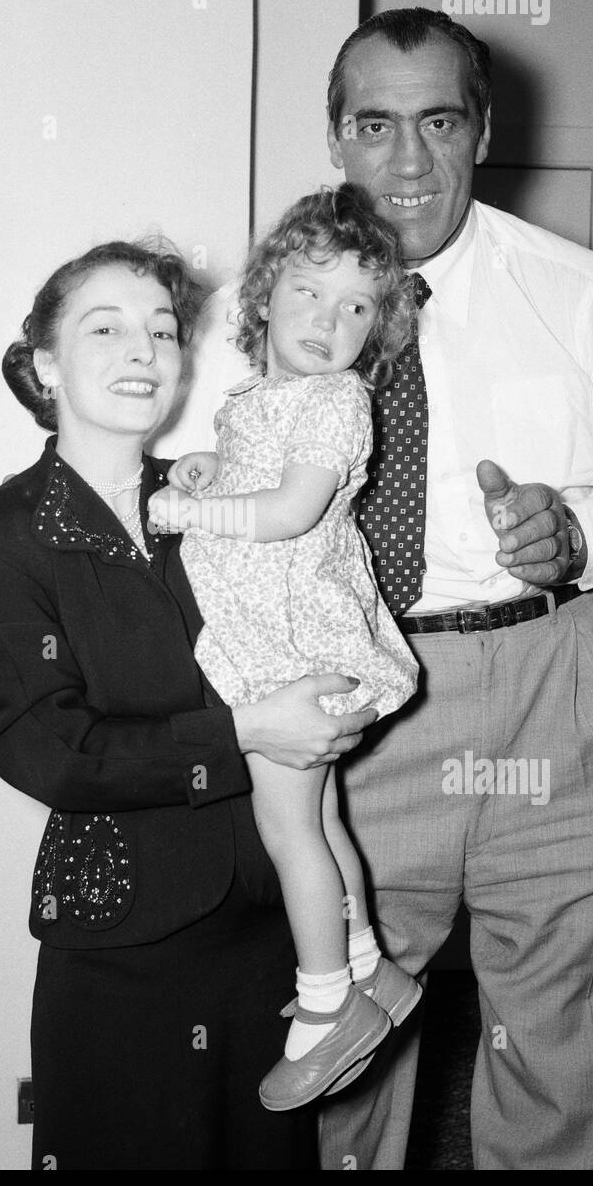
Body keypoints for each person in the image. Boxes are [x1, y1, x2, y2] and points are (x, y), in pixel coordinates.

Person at [286, 8, 593, 1169]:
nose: (409, 161)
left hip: (560, 685)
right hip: (359, 697)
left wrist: (580, 531)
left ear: (483, 130)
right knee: (342, 1042)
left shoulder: (580, 294)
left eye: (438, 122)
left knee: (561, 1041)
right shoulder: (277, 307)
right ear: (336, 135)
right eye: (376, 124)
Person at [0, 239, 375, 1170]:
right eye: (107, 328)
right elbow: (54, 753)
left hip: (271, 921)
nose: (143, 350)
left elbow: (316, 608)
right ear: (44, 365)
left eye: (162, 331)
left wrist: (343, 695)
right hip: (124, 932)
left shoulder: (219, 498)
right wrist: (249, 730)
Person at [148, 186, 422, 1112]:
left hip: (296, 648)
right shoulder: (264, 398)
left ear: (373, 332)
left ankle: (322, 1010)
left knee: (287, 829)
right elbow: (254, 476)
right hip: (281, 635)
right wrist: (205, 467)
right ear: (266, 296)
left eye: (357, 308)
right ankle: (366, 967)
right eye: (311, 292)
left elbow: (292, 511)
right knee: (326, 820)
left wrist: (188, 511)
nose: (331, 319)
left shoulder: (339, 401)